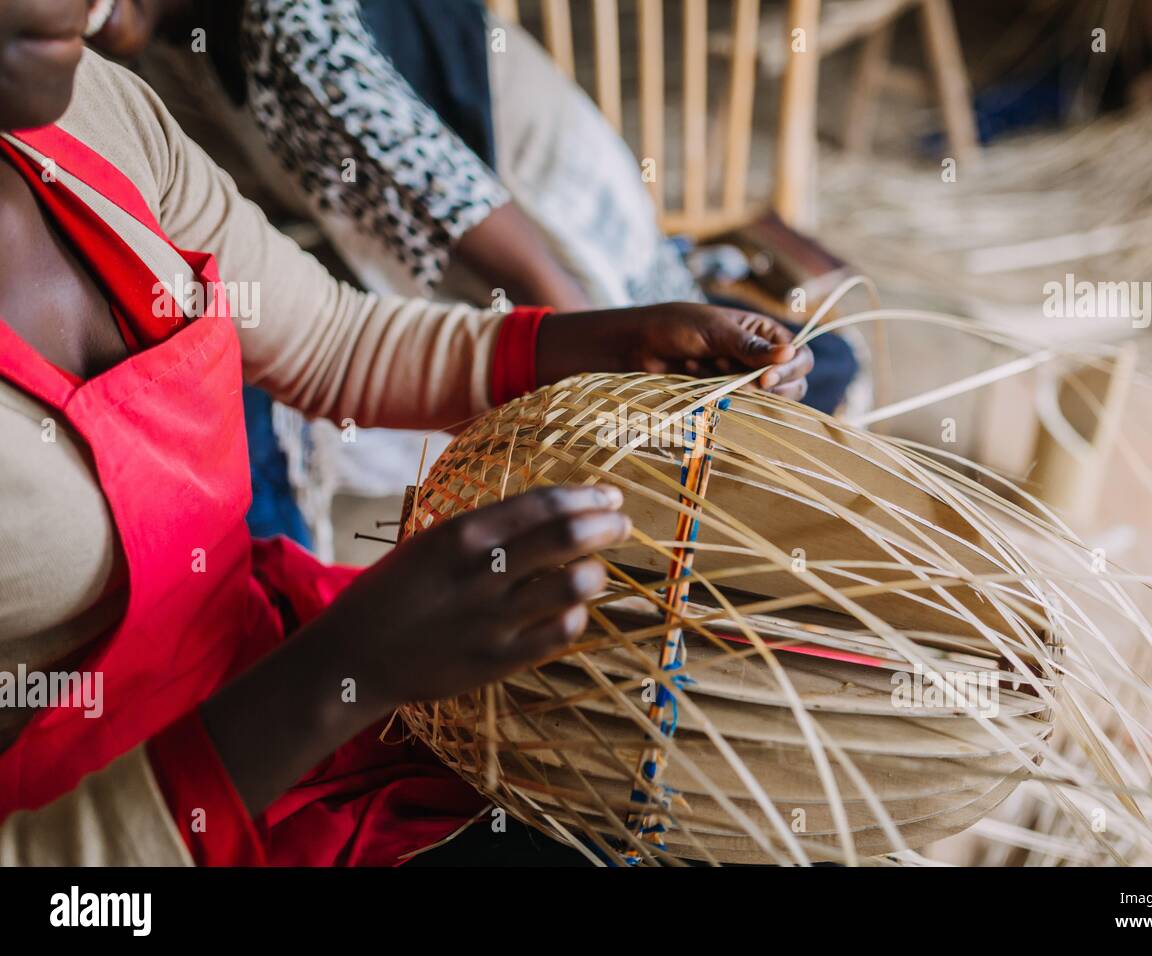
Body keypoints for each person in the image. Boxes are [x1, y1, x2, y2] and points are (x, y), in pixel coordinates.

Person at [0, 0, 812, 865]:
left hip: (286, 667)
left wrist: (607, 342)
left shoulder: (95, 112)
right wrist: (339, 676)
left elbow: (327, 340)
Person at [92, 0, 859, 551]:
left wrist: (614, 420)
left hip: (570, 253)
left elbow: (504, 245)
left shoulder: (287, 28)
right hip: (465, 277)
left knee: (251, 390)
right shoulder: (158, 52)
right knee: (242, 367)